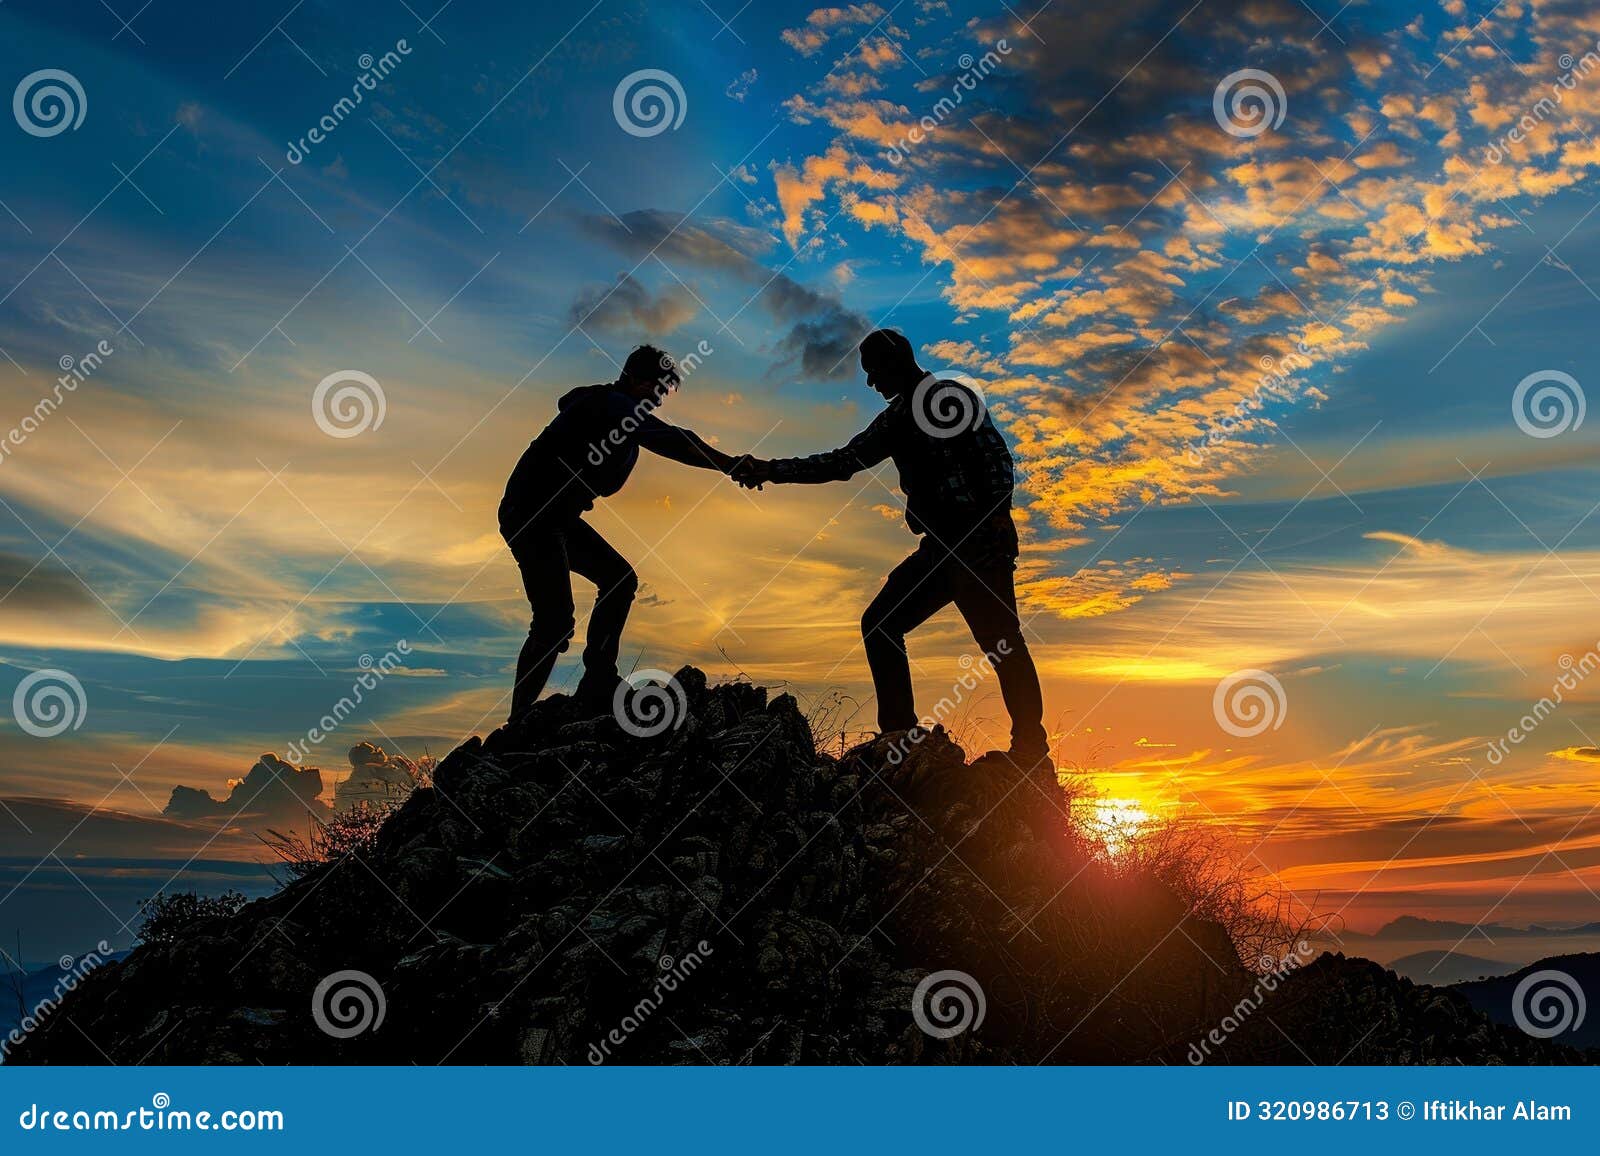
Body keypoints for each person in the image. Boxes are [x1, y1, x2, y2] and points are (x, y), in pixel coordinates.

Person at [733, 329, 1048, 765]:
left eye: (874, 371)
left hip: (977, 544)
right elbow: (842, 462)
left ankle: (1031, 750)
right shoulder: (895, 420)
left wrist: (997, 518)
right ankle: (899, 738)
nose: (870, 382)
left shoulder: (949, 397)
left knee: (1001, 642)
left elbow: (995, 456)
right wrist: (769, 470)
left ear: (896, 362)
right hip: (939, 550)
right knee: (881, 624)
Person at [499, 345, 745, 723]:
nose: (657, 399)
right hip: (532, 515)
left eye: (663, 393)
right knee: (554, 622)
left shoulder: (619, 414)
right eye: (654, 389)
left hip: (556, 518)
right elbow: (676, 440)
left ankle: (598, 678)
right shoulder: (610, 404)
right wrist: (731, 464)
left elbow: (667, 438)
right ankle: (518, 720)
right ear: (634, 379)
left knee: (618, 579)